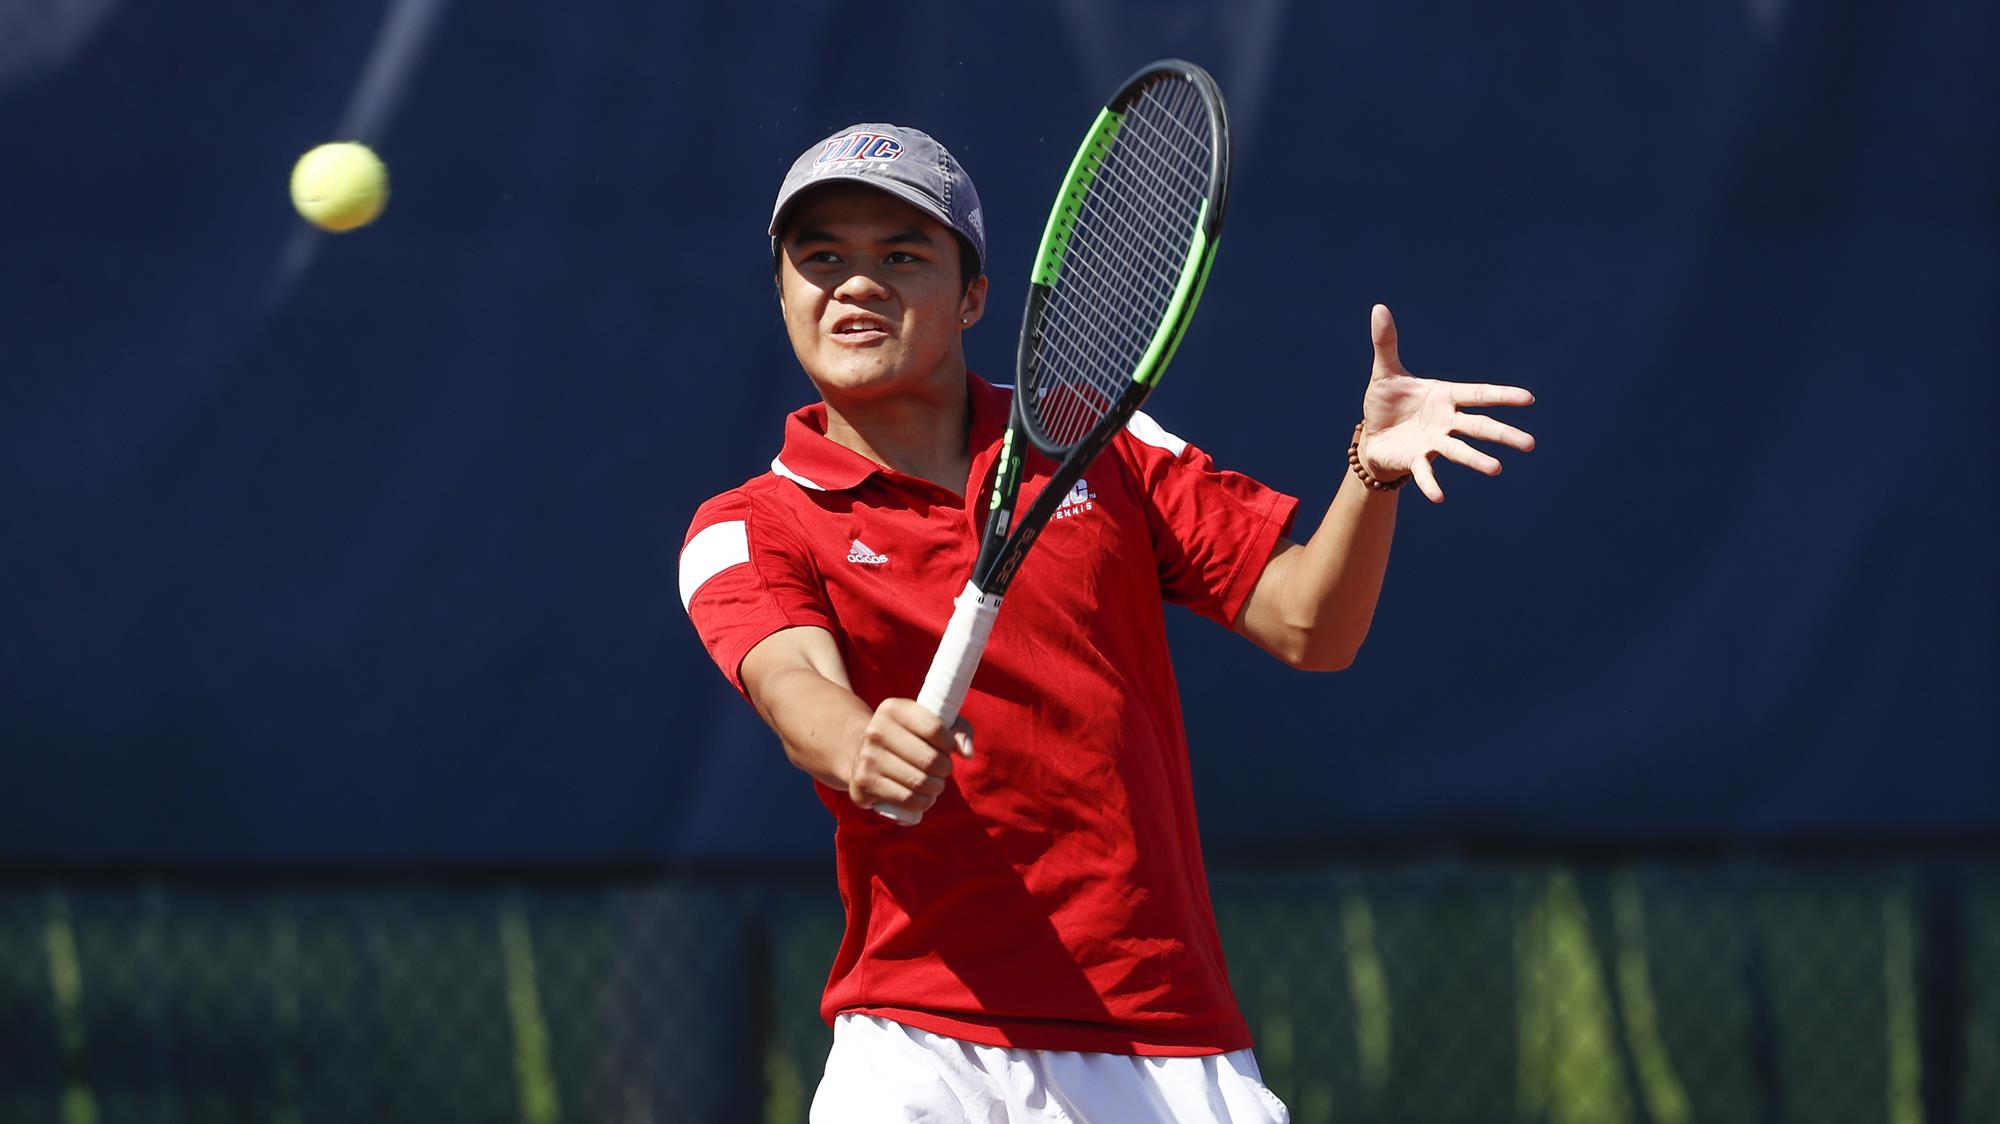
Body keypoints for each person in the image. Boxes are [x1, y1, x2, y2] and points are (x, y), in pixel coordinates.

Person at [679, 122, 1535, 1123]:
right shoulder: (743, 525)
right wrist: (859, 741)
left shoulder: (1102, 445)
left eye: (899, 255)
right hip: (918, 1053)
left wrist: (1370, 470)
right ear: (781, 292)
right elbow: (795, 692)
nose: (855, 284)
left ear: (972, 298)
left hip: (1165, 1045)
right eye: (819, 258)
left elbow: (1312, 626)